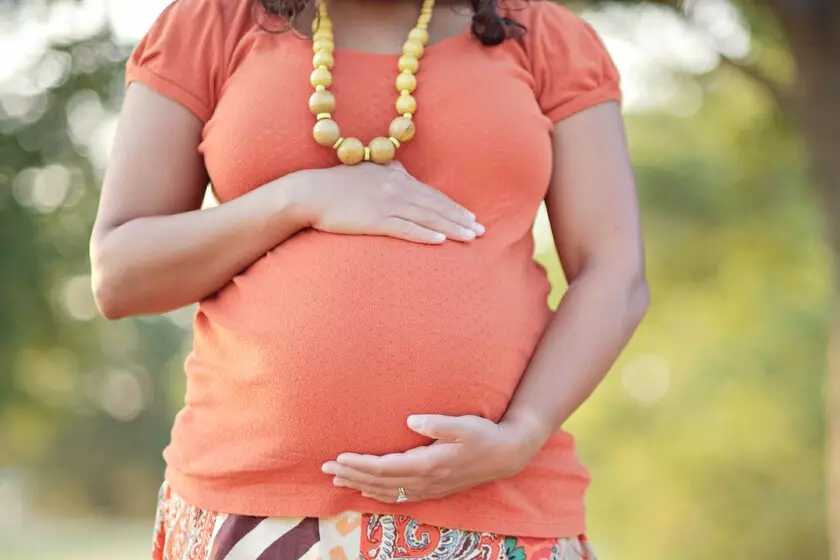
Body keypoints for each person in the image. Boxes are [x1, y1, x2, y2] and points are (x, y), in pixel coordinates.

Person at [90, 0, 648, 557]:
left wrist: (521, 434)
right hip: (254, 510)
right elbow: (120, 274)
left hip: (498, 512)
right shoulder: (210, 25)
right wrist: (297, 199)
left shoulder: (547, 38)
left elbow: (613, 271)